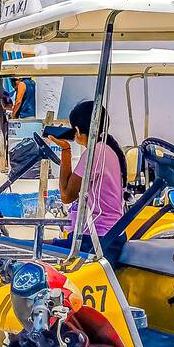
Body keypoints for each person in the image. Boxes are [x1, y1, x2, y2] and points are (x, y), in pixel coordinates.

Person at [56, 99, 127, 253]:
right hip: (111, 234)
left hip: (95, 238)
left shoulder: (94, 153)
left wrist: (65, 150)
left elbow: (66, 195)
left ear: (77, 129)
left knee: (28, 248)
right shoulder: (108, 149)